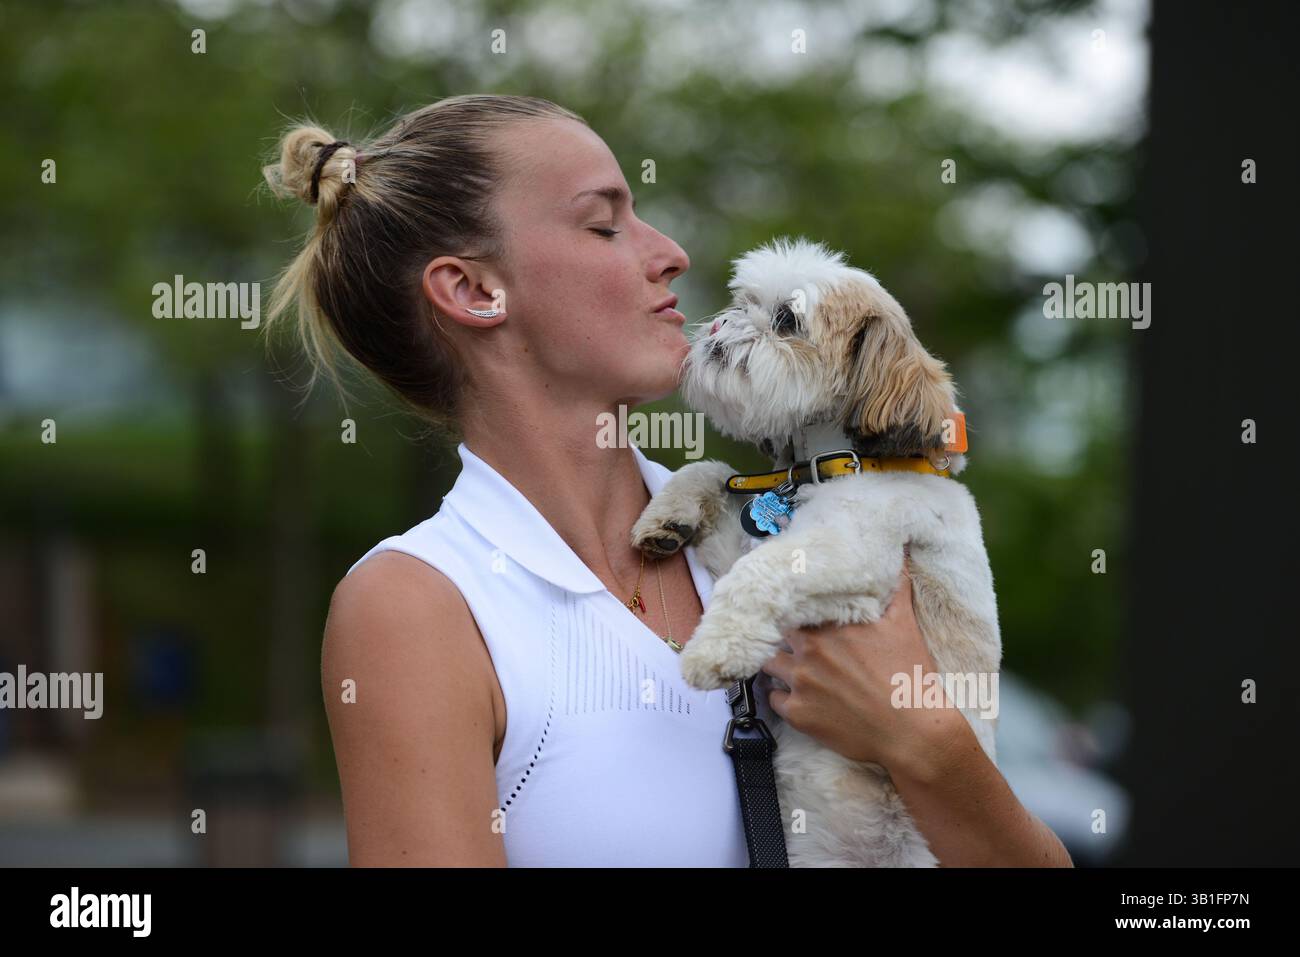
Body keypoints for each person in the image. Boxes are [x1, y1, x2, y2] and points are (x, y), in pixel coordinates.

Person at [261, 93, 1072, 868]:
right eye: (605, 224)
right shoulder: (419, 605)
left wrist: (924, 739)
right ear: (474, 291)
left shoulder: (784, 528)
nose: (672, 254)